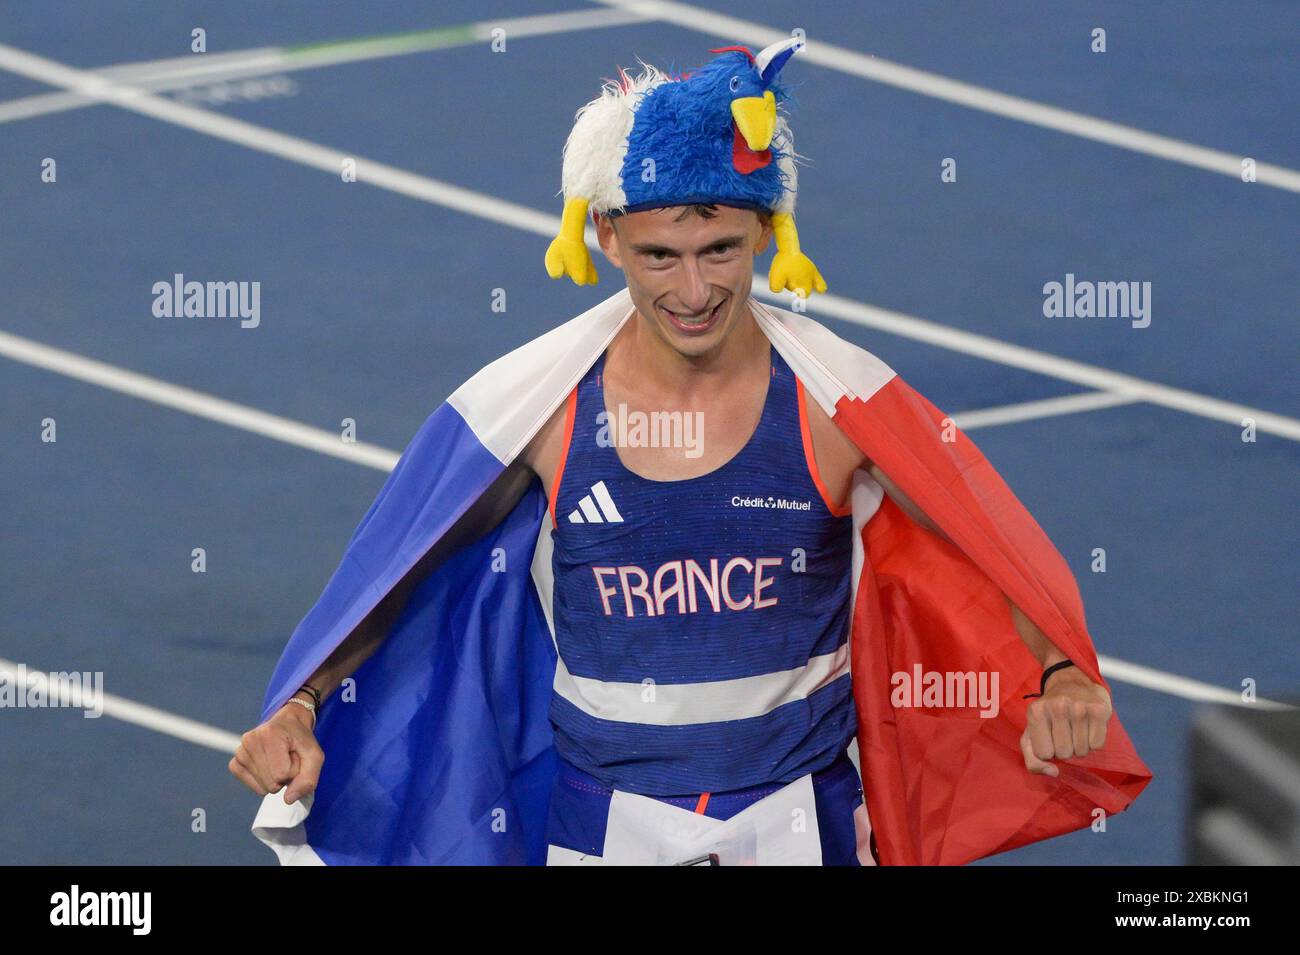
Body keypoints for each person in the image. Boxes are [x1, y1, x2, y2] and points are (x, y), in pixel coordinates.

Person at [232, 39, 1151, 865]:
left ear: (765, 230)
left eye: (719, 249)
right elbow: (407, 564)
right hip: (600, 833)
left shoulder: (837, 407)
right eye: (661, 256)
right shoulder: (544, 412)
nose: (695, 289)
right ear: (607, 238)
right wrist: (302, 701)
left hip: (808, 825)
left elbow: (977, 544)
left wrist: (1061, 667)